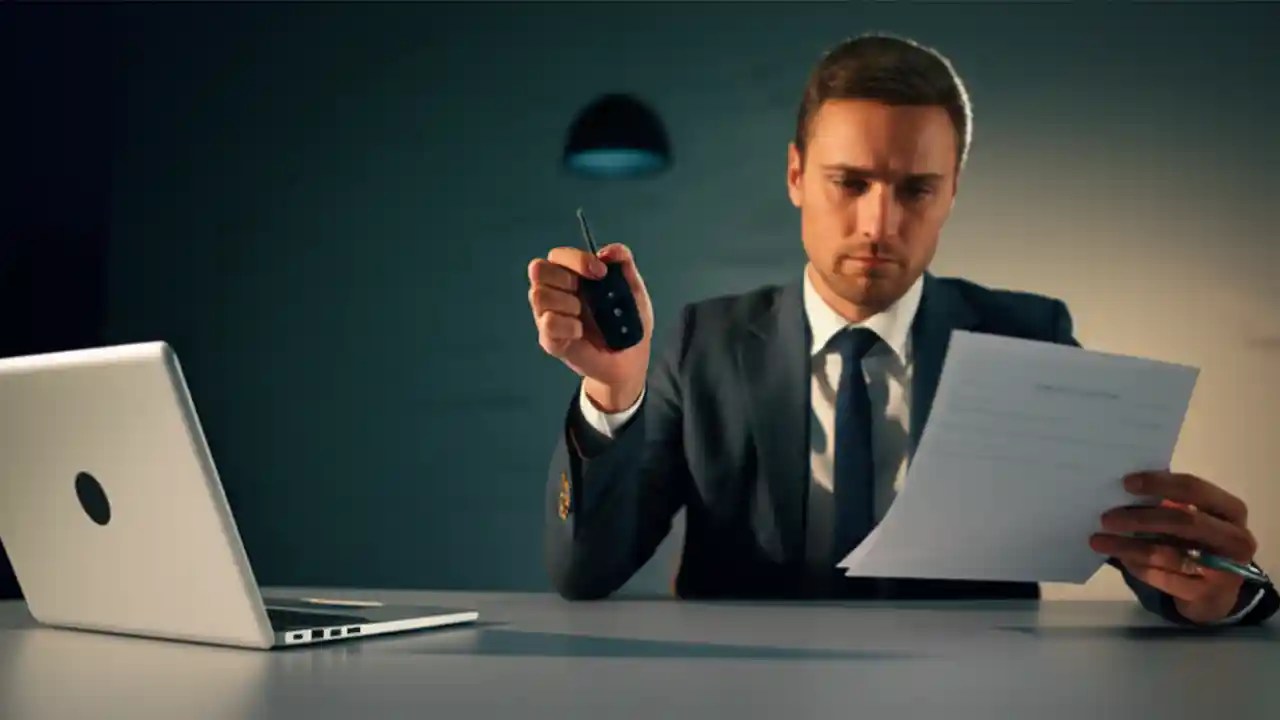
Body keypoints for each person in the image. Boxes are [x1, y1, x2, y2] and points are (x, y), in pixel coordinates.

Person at [526, 33, 1277, 625]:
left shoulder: (1028, 337)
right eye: (849, 183)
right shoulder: (701, 345)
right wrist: (613, 388)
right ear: (795, 176)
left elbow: (1139, 545)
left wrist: (1214, 592)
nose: (879, 225)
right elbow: (585, 575)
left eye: (915, 189)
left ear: (953, 191)